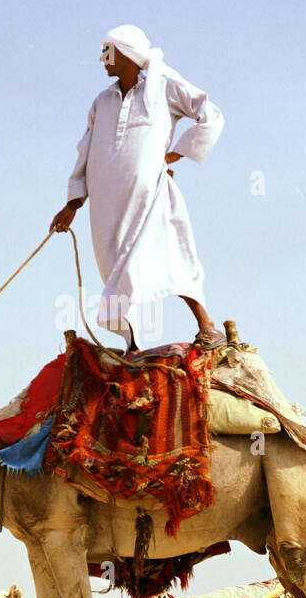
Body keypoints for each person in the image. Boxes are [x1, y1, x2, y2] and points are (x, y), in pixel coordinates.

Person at [50, 25, 225, 353]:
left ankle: (207, 326)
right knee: (113, 268)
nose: (103, 60)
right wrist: (73, 203)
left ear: (127, 54)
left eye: (109, 52)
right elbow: (85, 150)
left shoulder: (163, 84)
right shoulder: (101, 102)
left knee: (171, 255)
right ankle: (131, 346)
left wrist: (175, 154)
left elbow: (210, 115)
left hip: (149, 195)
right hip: (106, 199)